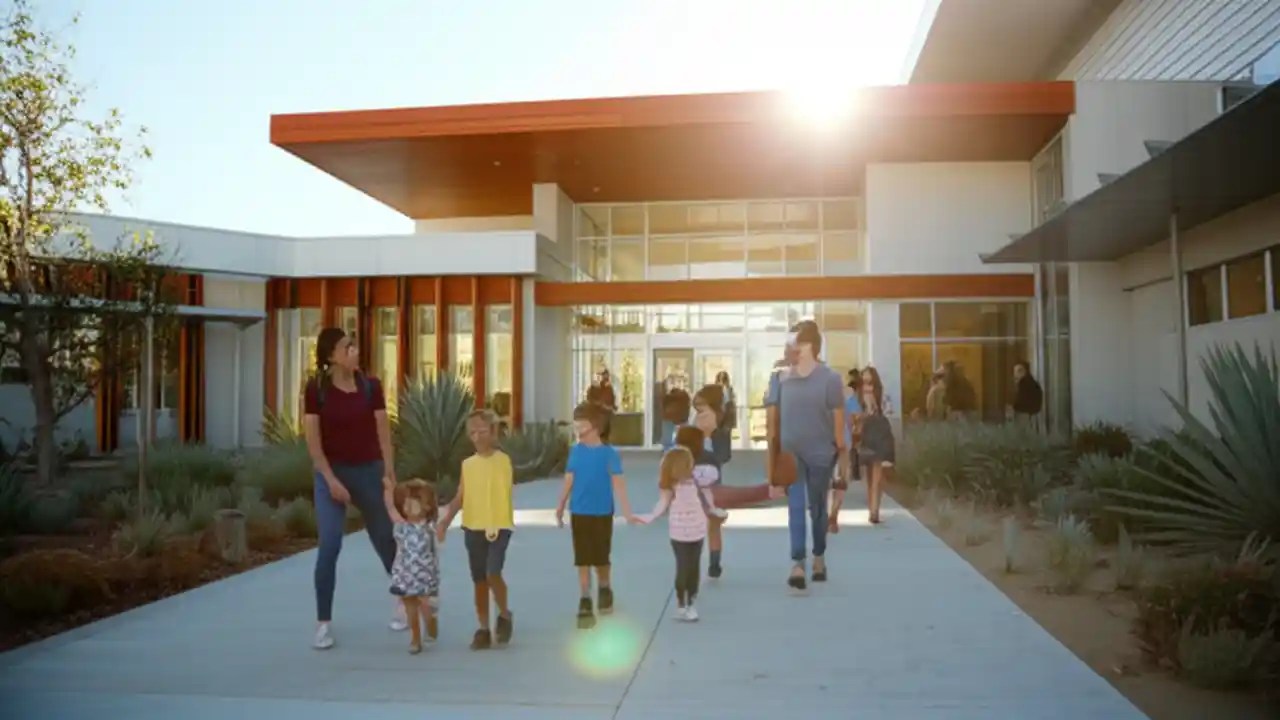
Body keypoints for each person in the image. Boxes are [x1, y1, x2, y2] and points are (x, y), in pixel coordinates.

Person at [304, 327, 401, 650]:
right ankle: (322, 623)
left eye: (355, 346)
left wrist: (389, 473)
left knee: (386, 539)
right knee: (329, 545)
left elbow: (383, 432)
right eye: (348, 347)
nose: (355, 351)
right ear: (331, 355)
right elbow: (313, 443)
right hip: (331, 474)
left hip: (369, 472)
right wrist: (331, 481)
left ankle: (405, 601)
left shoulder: (369, 386)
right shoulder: (316, 390)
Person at [764, 321, 848, 592]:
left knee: (818, 509)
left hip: (822, 454)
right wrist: (772, 457)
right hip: (791, 454)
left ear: (809, 345)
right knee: (796, 507)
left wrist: (840, 449)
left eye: (795, 342)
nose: (791, 347)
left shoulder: (831, 379)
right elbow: (772, 421)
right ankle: (798, 563)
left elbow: (838, 419)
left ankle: (819, 556)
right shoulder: (779, 377)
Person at [437, 410, 515, 650]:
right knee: (479, 580)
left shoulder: (503, 460)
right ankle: (483, 627)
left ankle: (504, 614)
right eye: (473, 432)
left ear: (493, 432)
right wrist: (445, 521)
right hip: (473, 527)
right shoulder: (467, 465)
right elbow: (461, 496)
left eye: (483, 431)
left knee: (494, 573)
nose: (478, 437)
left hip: (499, 526)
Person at [555, 402, 638, 629]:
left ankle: (604, 585)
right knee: (582, 558)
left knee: (601, 556)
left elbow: (618, 483)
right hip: (579, 511)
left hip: (602, 512)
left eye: (581, 423)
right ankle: (584, 598)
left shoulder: (609, 454)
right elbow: (569, 479)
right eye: (575, 422)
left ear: (596, 427)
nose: (577, 427)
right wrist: (561, 505)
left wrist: (627, 512)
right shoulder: (576, 451)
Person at [637, 446, 707, 622]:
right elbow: (662, 503)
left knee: (693, 567)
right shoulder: (671, 486)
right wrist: (651, 516)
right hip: (681, 533)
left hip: (696, 530)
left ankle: (689, 602)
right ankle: (682, 604)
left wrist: (713, 509)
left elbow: (706, 496)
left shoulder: (695, 480)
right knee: (684, 567)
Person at [389, 479, 440, 655]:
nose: (408, 505)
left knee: (425, 605)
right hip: (405, 574)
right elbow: (390, 510)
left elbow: (435, 548)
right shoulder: (401, 526)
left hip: (424, 575)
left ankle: (430, 621)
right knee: (410, 608)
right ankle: (415, 638)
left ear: (426, 507)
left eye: (415, 502)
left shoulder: (429, 528)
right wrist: (388, 492)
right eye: (405, 502)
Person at [858, 366, 895, 525]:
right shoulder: (857, 399)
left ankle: (874, 511)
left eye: (870, 382)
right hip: (865, 436)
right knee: (869, 475)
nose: (867, 386)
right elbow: (854, 419)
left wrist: (874, 406)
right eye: (864, 382)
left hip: (880, 435)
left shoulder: (883, 397)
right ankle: (872, 507)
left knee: (878, 475)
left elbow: (889, 412)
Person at [828, 370, 863, 534]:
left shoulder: (822, 402)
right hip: (844, 443)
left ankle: (829, 515)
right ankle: (833, 514)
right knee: (842, 479)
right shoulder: (848, 401)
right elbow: (854, 422)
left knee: (825, 481)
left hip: (826, 444)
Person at [660, 374, 691, 449]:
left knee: (668, 442)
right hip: (681, 419)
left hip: (670, 419)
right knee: (682, 442)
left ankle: (668, 455)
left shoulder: (668, 397)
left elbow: (663, 404)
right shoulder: (684, 395)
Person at [712, 371, 736, 464]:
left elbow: (731, 407)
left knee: (725, 438)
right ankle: (718, 456)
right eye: (719, 379)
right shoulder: (714, 390)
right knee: (717, 439)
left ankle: (725, 456)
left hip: (726, 419)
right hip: (717, 419)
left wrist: (730, 422)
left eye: (723, 379)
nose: (721, 381)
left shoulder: (729, 390)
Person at [1011, 361, 1044, 428]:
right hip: (1032, 414)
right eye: (1015, 371)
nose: (1015, 374)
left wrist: (1013, 407)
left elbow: (1021, 401)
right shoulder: (1032, 382)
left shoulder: (1024, 384)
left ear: (1024, 371)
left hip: (1025, 414)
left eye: (1018, 371)